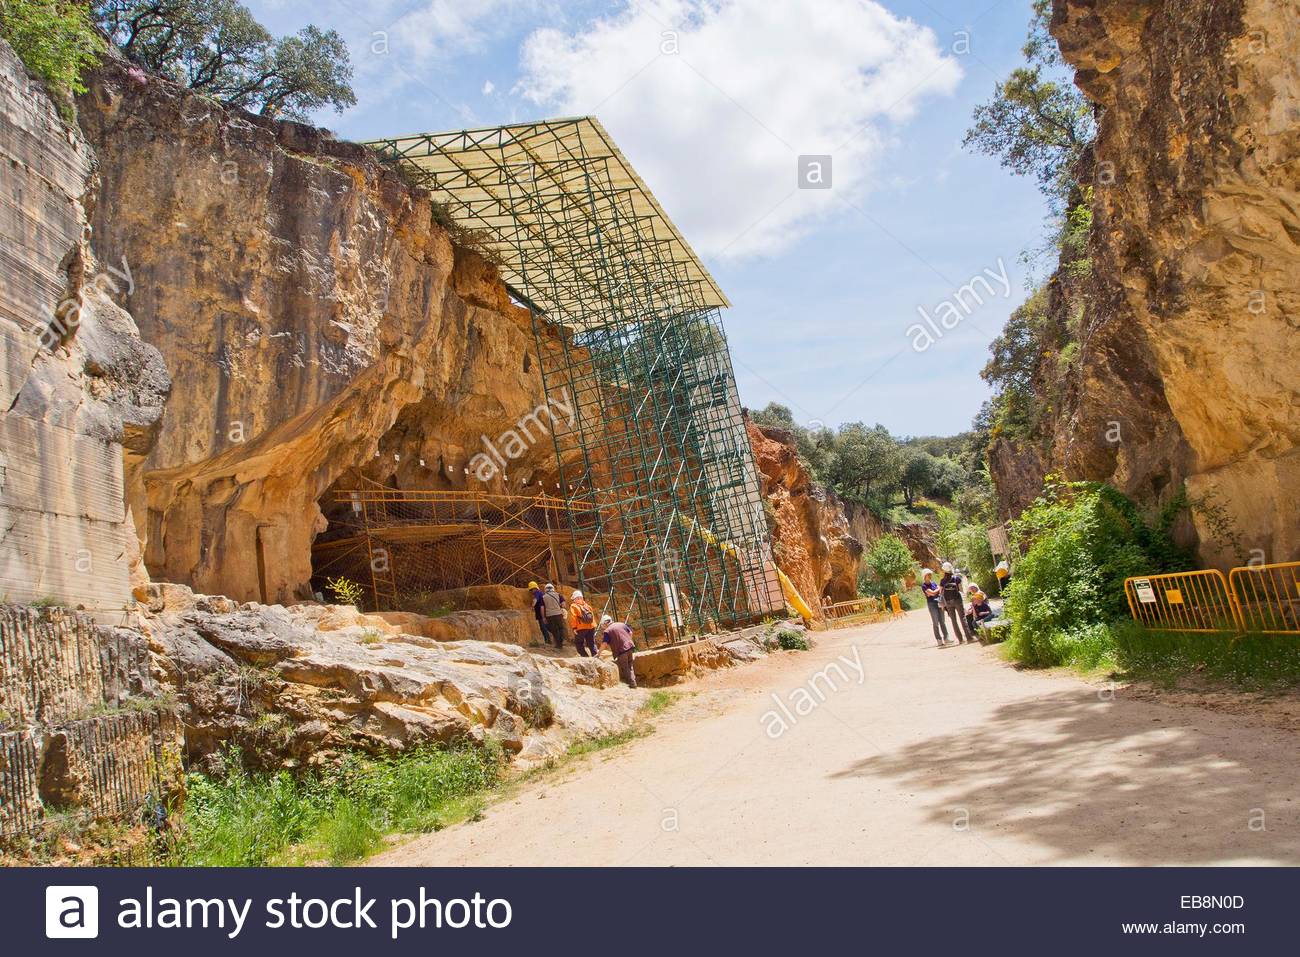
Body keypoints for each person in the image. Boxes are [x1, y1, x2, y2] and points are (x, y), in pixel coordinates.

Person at [939, 562, 975, 643]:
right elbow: (961, 590)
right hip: (957, 600)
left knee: (953, 621)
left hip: (948, 602)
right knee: (962, 618)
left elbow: (940, 592)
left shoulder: (942, 581)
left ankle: (960, 639)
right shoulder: (956, 578)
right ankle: (969, 638)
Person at [599, 614, 637, 687]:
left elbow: (604, 644)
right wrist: (629, 641)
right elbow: (630, 633)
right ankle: (633, 680)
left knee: (625, 667)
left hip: (621, 651)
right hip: (630, 648)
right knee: (630, 665)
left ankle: (632, 683)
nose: (603, 627)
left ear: (605, 623)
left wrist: (599, 653)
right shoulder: (621, 624)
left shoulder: (607, 631)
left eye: (603, 625)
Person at [920, 568, 949, 646]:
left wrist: (935, 591)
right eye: (928, 575)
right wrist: (936, 590)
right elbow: (932, 593)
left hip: (938, 603)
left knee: (942, 621)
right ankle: (939, 639)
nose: (930, 576)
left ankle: (946, 638)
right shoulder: (924, 586)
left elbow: (938, 591)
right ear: (924, 576)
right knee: (935, 622)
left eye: (930, 574)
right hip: (932, 604)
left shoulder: (933, 583)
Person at [568, 589, 598, 657]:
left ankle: (585, 656)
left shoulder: (574, 606)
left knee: (578, 643)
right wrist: (593, 625)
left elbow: (573, 617)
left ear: (575, 598)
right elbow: (592, 616)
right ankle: (596, 655)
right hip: (591, 627)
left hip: (581, 627)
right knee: (591, 643)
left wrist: (574, 628)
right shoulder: (587, 606)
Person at [541, 583, 567, 649]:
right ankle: (561, 641)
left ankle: (558, 644)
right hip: (558, 614)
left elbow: (542, 608)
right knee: (561, 628)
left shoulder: (543, 597)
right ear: (553, 588)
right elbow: (563, 604)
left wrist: (543, 617)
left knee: (554, 629)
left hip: (549, 615)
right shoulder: (558, 595)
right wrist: (560, 608)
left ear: (545, 589)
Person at [529, 581, 550, 645]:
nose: (531, 592)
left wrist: (532, 606)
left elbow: (535, 600)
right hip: (543, 613)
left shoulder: (537, 593)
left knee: (543, 627)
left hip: (541, 614)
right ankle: (548, 640)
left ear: (534, 588)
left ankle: (548, 641)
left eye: (531, 590)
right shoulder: (541, 593)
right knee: (545, 627)